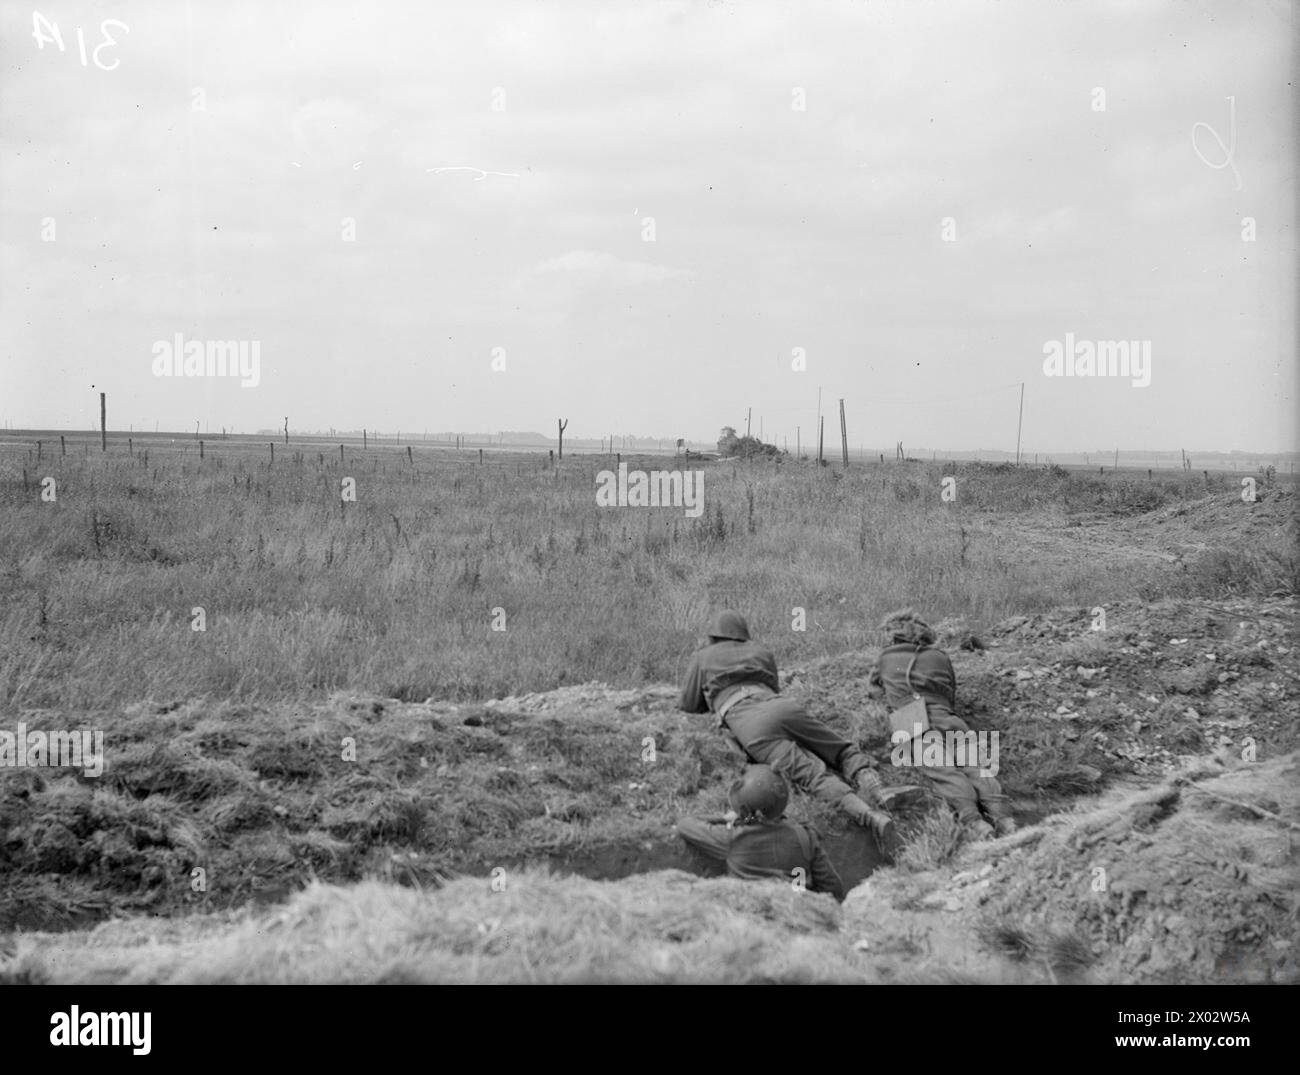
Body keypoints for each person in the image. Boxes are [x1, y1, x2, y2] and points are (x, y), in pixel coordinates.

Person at [678, 610, 896, 844]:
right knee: (840, 749)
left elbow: (688, 704)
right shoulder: (761, 651)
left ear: (713, 635)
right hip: (782, 706)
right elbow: (774, 685)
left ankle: (869, 816)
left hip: (749, 724)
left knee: (813, 776)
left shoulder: (702, 656)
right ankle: (879, 790)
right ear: (743, 634)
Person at [868, 608, 1016, 841]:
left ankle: (975, 824)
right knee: (976, 766)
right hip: (947, 715)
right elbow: (951, 691)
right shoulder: (940, 656)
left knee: (945, 773)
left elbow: (874, 688)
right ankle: (1004, 819)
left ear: (893, 635)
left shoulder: (886, 657)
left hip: (910, 718)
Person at [675, 764, 845, 899]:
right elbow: (832, 889)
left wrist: (725, 819)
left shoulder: (733, 838)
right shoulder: (805, 836)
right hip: (796, 914)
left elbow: (685, 824)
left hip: (751, 919)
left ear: (743, 810)